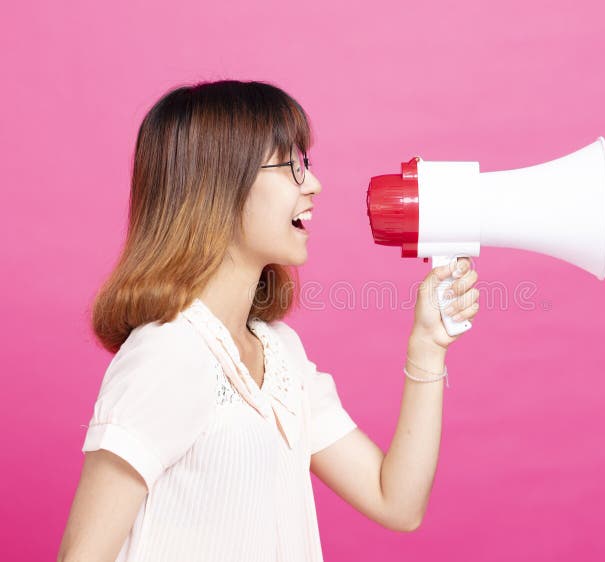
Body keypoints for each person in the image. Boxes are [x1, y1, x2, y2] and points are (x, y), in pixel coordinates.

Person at [57, 79, 480, 562]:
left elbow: (397, 502)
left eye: (308, 165)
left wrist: (427, 347)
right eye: (291, 167)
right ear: (218, 186)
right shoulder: (167, 355)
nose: (314, 184)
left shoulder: (282, 354)